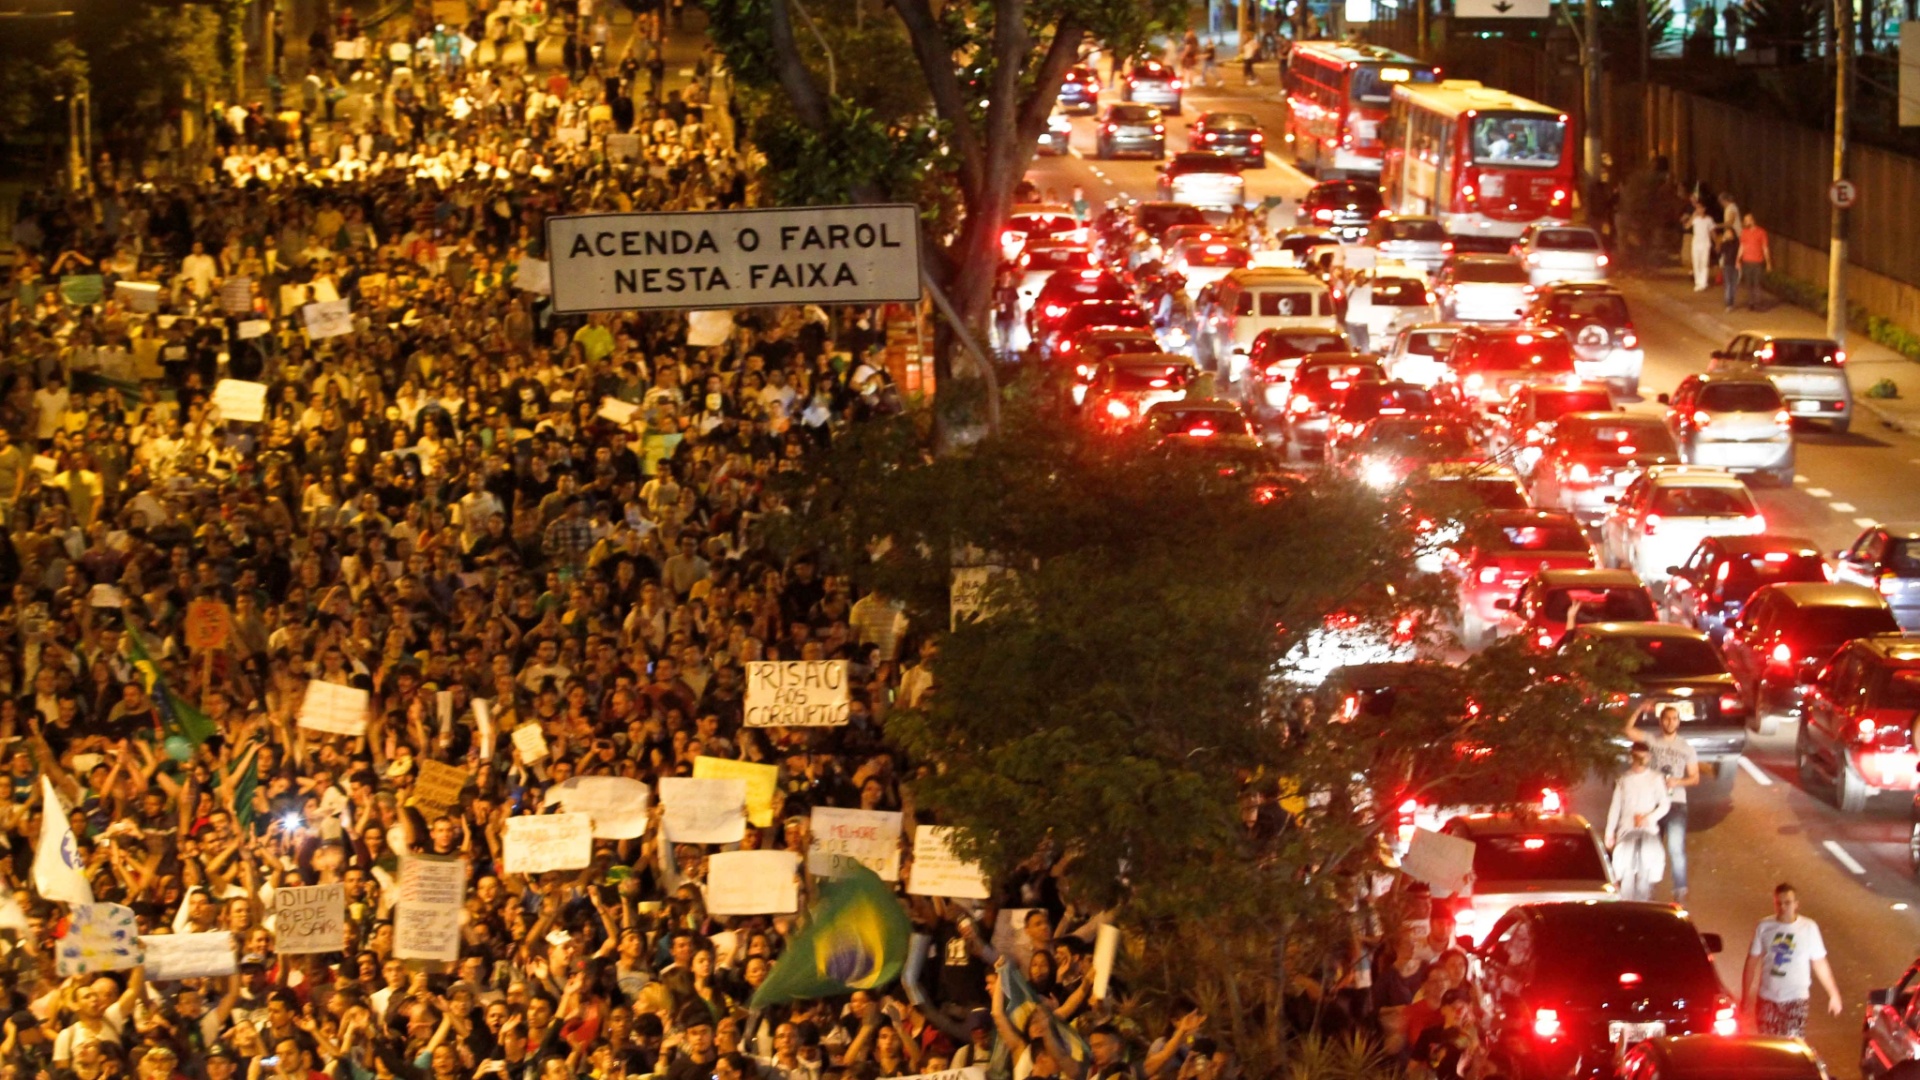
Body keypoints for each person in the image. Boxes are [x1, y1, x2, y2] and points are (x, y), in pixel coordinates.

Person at [1741, 883, 1844, 1037]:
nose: (1782, 907)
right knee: (1768, 1045)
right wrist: (1745, 996)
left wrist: (1833, 994)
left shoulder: (1808, 928)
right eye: (1778, 903)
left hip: (1796, 999)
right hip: (1767, 999)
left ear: (1796, 904)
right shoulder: (1764, 927)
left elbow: (1819, 962)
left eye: (1787, 903)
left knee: (1791, 1044)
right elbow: (1751, 962)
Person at [1627, 705, 1699, 901]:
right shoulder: (1652, 741)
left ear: (1679, 722)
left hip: (1676, 803)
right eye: (1666, 718)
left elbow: (1695, 778)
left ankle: (1679, 890)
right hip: (1654, 804)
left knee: (1676, 848)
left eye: (1674, 718)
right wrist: (1640, 708)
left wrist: (1678, 782)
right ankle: (1648, 889)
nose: (1670, 722)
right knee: (1651, 847)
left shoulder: (1686, 748)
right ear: (1661, 721)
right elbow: (1628, 730)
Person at [1605, 742, 1669, 901]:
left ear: (1649, 758)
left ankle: (1644, 905)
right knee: (1624, 875)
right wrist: (1609, 833)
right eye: (1637, 757)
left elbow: (1665, 804)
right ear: (1631, 757)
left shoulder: (1655, 778)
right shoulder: (1623, 780)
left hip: (1648, 832)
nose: (1640, 761)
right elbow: (1615, 807)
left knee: (1645, 877)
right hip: (1626, 832)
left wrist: (1648, 819)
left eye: (1644, 757)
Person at [1739, 213, 1772, 309]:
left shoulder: (1761, 232)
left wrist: (1768, 262)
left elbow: (1765, 248)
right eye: (1745, 220)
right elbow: (1742, 246)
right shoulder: (1744, 232)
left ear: (1753, 220)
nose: (1745, 222)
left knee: (1757, 283)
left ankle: (1757, 303)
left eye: (1747, 220)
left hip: (1758, 261)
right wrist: (1738, 259)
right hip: (1746, 261)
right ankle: (1751, 302)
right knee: (1748, 283)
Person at [1688, 199, 1715, 291]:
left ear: (1704, 209)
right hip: (1696, 244)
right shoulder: (1695, 219)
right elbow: (1687, 226)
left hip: (1705, 244)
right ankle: (1698, 282)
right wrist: (1693, 216)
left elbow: (1712, 232)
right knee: (1696, 263)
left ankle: (1703, 283)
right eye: (1697, 208)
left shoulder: (1709, 220)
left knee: (1704, 263)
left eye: (1700, 208)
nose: (1698, 210)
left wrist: (1716, 242)